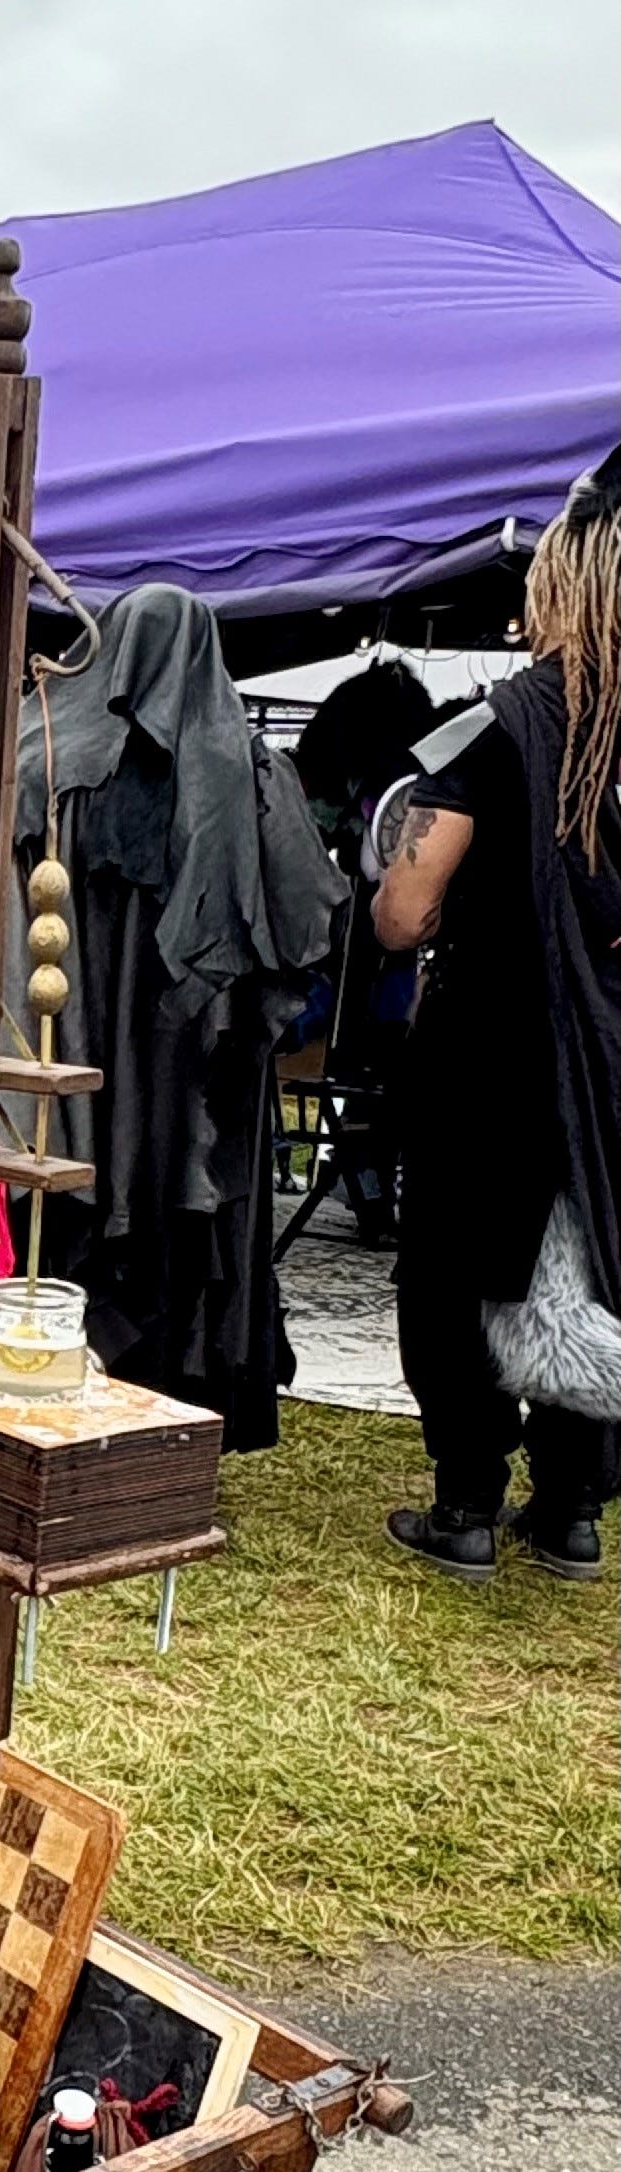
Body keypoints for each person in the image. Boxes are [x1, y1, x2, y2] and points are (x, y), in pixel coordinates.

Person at [373, 460, 621, 1582]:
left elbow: (403, 912)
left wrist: (394, 893)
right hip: (610, 1057)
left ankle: (468, 1501)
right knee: (596, 1257)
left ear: (565, 585)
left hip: (490, 1050)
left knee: (457, 1267)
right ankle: (573, 1506)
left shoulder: (500, 726)